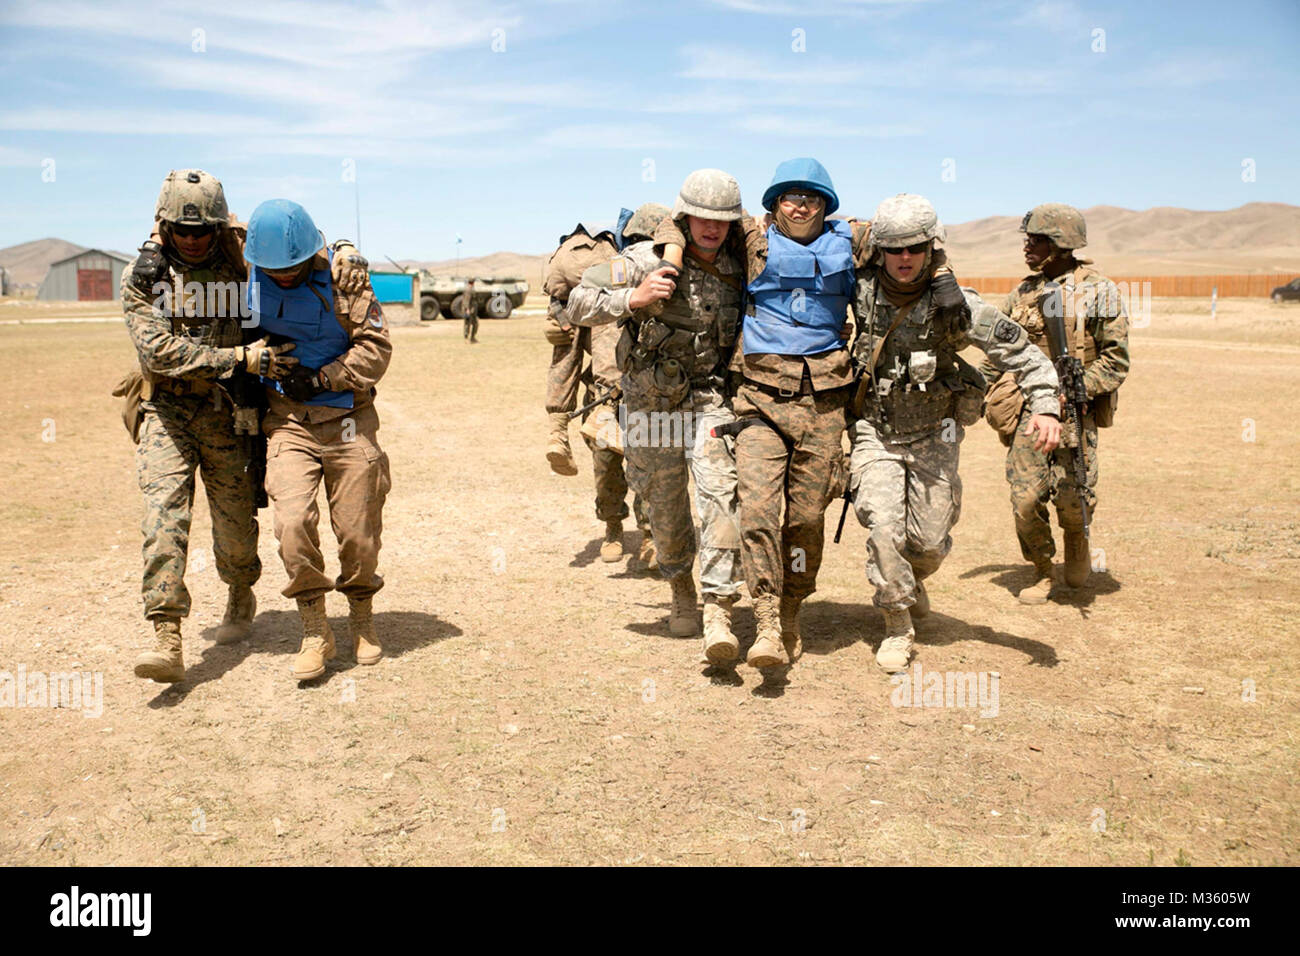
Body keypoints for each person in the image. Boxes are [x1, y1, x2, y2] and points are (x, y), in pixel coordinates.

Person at [124, 170, 366, 683]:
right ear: (162, 227)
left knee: (237, 528)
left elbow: (294, 237)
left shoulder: (238, 257)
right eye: (179, 231)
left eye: (201, 231)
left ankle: (240, 589)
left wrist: (346, 249)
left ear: (217, 227)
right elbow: (158, 352)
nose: (192, 241)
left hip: (229, 412)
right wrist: (240, 358)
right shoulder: (144, 277)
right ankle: (167, 635)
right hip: (166, 409)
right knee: (163, 517)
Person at [654, 158, 872, 668]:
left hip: (824, 400)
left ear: (827, 205)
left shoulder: (854, 240)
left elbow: (918, 240)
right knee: (754, 511)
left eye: (812, 197)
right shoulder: (750, 237)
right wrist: (669, 252)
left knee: (806, 518)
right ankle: (767, 621)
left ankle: (793, 608)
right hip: (757, 399)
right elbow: (681, 216)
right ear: (773, 205)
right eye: (790, 197)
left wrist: (947, 272)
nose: (800, 205)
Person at [847, 194, 1062, 672]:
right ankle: (897, 622)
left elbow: (1023, 355)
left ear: (931, 249)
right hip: (876, 430)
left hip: (934, 433)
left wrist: (1046, 407)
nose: (905, 260)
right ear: (880, 251)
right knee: (884, 527)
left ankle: (913, 576)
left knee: (928, 542)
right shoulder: (857, 290)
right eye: (895, 250)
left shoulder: (957, 305)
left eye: (916, 249)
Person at [565, 170, 746, 642]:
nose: (711, 229)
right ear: (684, 217)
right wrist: (633, 298)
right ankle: (681, 588)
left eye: (721, 221)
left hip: (710, 399)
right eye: (702, 218)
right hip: (650, 406)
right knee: (663, 508)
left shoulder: (741, 264)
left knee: (721, 498)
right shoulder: (647, 258)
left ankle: (719, 608)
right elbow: (576, 303)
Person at [242, 199, 392, 682]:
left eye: (291, 267)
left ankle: (362, 620)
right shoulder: (243, 278)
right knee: (290, 522)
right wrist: (256, 356)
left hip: (347, 417)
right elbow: (196, 227)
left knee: (358, 529)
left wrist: (326, 376)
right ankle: (314, 629)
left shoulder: (345, 280)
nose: (281, 276)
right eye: (272, 269)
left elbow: (376, 350)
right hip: (288, 422)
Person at [985, 203, 1130, 603]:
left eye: (1038, 240)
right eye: (1027, 239)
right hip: (1028, 409)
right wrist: (968, 389)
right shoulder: (1023, 292)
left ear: (1063, 244)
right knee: (1026, 497)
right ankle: (1043, 569)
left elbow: (1116, 360)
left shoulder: (1099, 291)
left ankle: (1076, 540)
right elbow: (996, 350)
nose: (1027, 247)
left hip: (1076, 407)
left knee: (1073, 492)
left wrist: (1078, 388)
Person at [547, 205, 669, 565]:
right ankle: (613, 525)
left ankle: (649, 535)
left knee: (649, 467)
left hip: (649, 396)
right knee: (607, 469)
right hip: (605, 397)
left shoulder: (667, 282)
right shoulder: (608, 281)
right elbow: (568, 348)